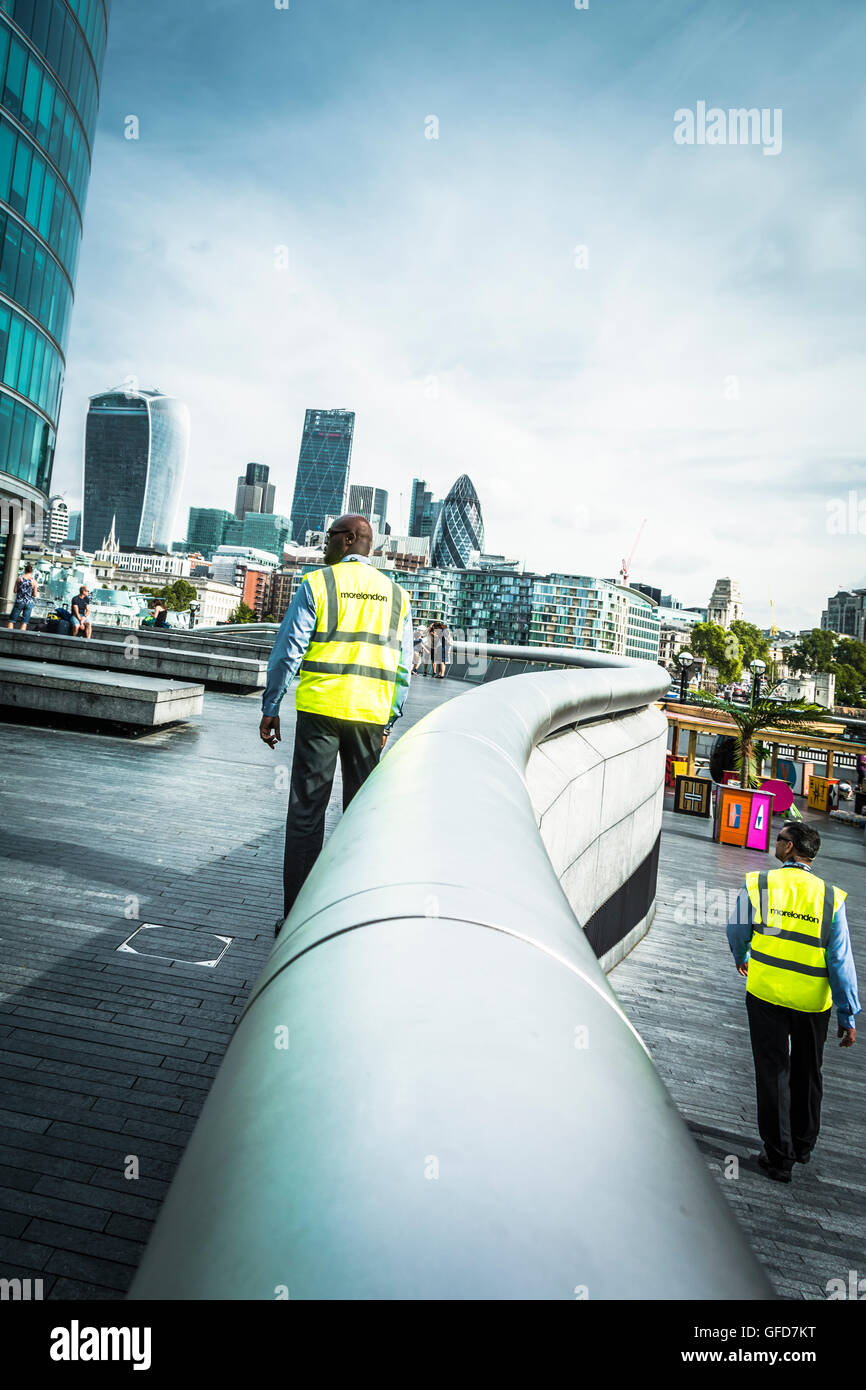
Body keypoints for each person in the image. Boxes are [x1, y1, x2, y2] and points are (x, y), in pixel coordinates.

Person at [259, 514, 413, 932]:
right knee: (361, 819)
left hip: (321, 713)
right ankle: (349, 920)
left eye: (329, 537)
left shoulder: (318, 584)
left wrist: (271, 705)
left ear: (348, 541)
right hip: (370, 718)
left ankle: (296, 921)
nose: (324, 544)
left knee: (307, 813)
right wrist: (389, 720)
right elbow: (404, 669)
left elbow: (289, 650)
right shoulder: (398, 596)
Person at [726, 821, 860, 1182]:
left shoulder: (762, 884)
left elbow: (736, 928)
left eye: (780, 838)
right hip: (813, 1002)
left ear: (791, 849)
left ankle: (778, 1157)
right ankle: (802, 1144)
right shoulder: (830, 897)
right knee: (808, 1070)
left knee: (773, 1072)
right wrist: (848, 1014)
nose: (776, 842)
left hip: (767, 992)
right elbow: (841, 960)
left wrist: (742, 954)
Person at [7, 564, 37, 630]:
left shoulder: (19, 579)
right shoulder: (34, 581)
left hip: (19, 601)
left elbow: (15, 591)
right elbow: (35, 595)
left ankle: (8, 634)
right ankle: (21, 636)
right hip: (29, 602)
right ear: (31, 572)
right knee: (24, 622)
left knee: (12, 620)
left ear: (25, 570)